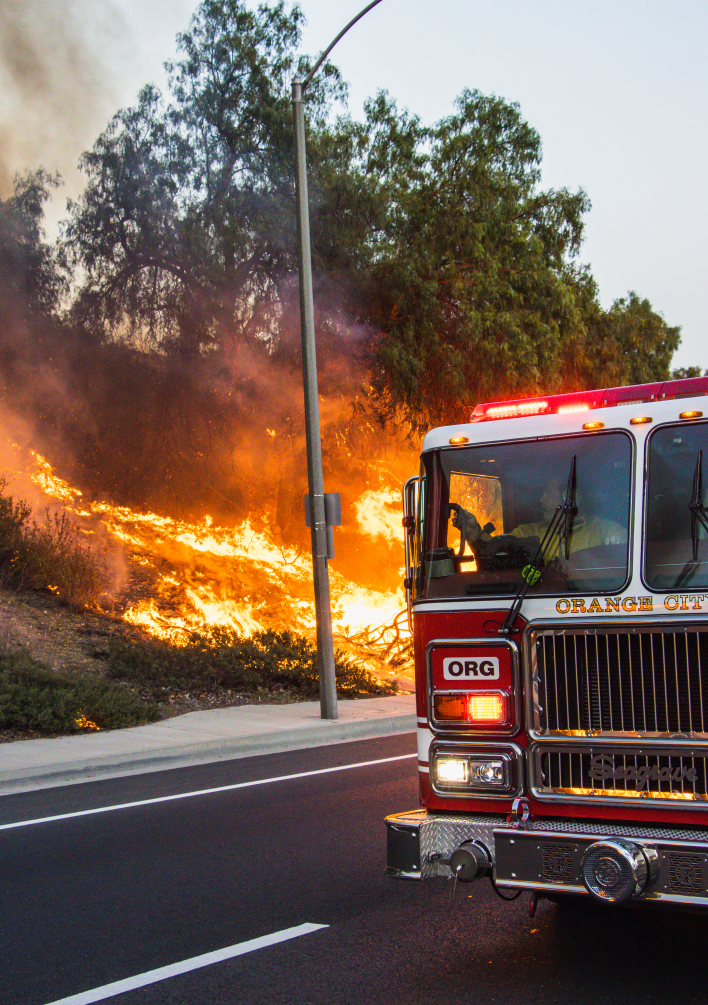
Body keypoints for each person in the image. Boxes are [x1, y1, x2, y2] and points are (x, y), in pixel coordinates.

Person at [452, 477, 627, 562]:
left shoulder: (608, 531)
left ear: (571, 498)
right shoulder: (526, 532)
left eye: (548, 494)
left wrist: (617, 547)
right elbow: (496, 555)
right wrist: (474, 533)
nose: (541, 500)